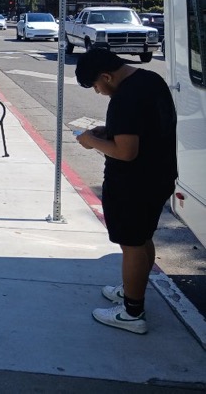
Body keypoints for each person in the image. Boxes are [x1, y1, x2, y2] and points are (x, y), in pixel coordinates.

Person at [75, 48, 177, 334]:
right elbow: (145, 128)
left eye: (96, 85)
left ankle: (132, 312)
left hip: (132, 184)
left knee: (131, 244)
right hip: (160, 176)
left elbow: (126, 152)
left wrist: (90, 141)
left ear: (107, 75)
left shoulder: (123, 99)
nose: (98, 91)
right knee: (143, 238)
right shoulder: (150, 80)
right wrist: (110, 131)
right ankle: (133, 290)